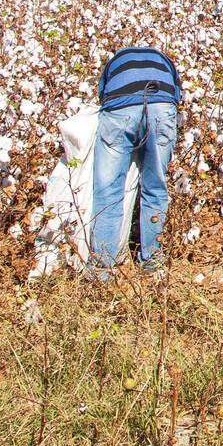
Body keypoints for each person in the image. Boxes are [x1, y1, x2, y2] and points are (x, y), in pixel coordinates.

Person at [89, 45, 181, 275]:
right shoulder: (165, 61)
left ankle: (102, 269)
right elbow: (177, 98)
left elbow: (103, 96)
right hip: (162, 106)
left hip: (120, 109)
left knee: (108, 191)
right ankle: (152, 263)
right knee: (155, 188)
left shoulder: (115, 61)